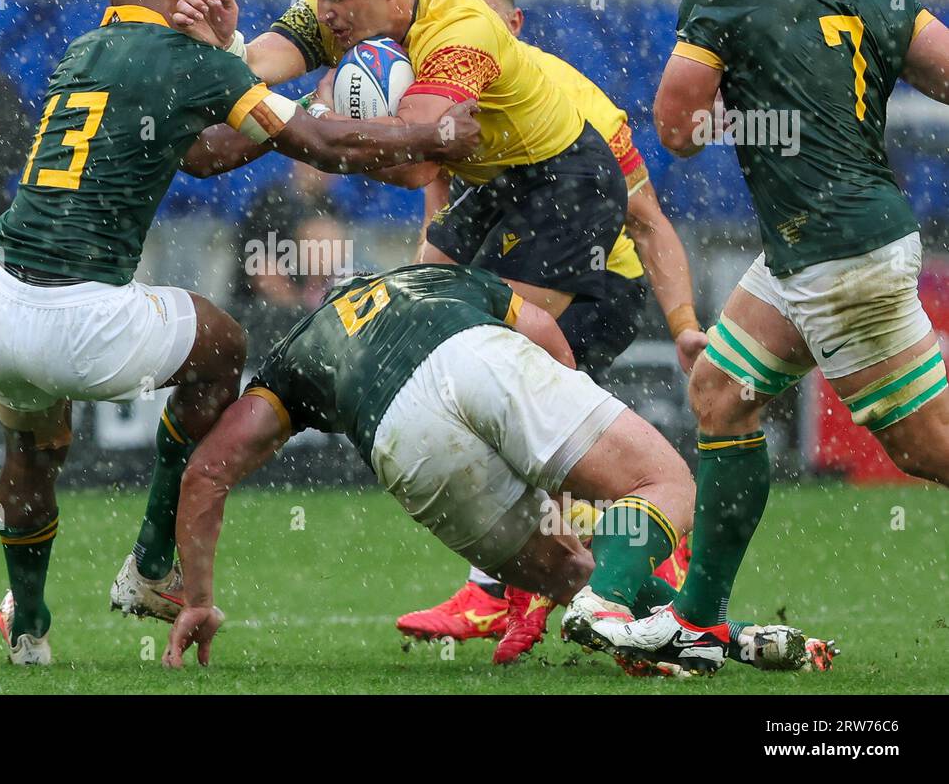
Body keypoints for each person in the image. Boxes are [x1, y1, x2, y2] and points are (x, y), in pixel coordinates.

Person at [0, 0, 479, 665]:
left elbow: (200, 156)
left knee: (35, 451)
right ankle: (152, 562)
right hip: (82, 318)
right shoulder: (182, 55)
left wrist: (234, 61)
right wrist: (429, 137)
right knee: (222, 344)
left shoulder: (84, 50)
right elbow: (317, 143)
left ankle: (29, 627)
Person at [604, 0, 949, 674]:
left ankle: (694, 618)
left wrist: (746, 109)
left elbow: (677, 130)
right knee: (719, 390)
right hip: (829, 244)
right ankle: (700, 622)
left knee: (924, 447)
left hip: (836, 256)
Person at [160, 264, 829, 675]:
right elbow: (535, 323)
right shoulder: (423, 280)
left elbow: (207, 472)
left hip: (400, 436)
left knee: (567, 572)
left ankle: (726, 638)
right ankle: (626, 606)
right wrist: (567, 440)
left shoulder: (296, 354)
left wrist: (196, 602)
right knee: (663, 484)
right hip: (474, 355)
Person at [395, 0, 705, 661]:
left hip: (601, 283)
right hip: (515, 276)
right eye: (453, 14)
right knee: (503, 409)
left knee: (524, 413)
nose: (465, 29)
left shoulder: (570, 100)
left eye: (482, 12)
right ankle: (603, 569)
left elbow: (649, 220)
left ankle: (507, 589)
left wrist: (685, 327)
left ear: (514, 21)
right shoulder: (440, 93)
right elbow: (439, 215)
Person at [173, 0, 628, 332]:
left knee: (492, 343)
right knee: (418, 324)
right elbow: (257, 67)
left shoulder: (458, 31)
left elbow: (413, 163)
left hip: (564, 181)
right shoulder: (344, 10)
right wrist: (227, 48)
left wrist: (317, 119)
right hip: (491, 180)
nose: (325, 10)